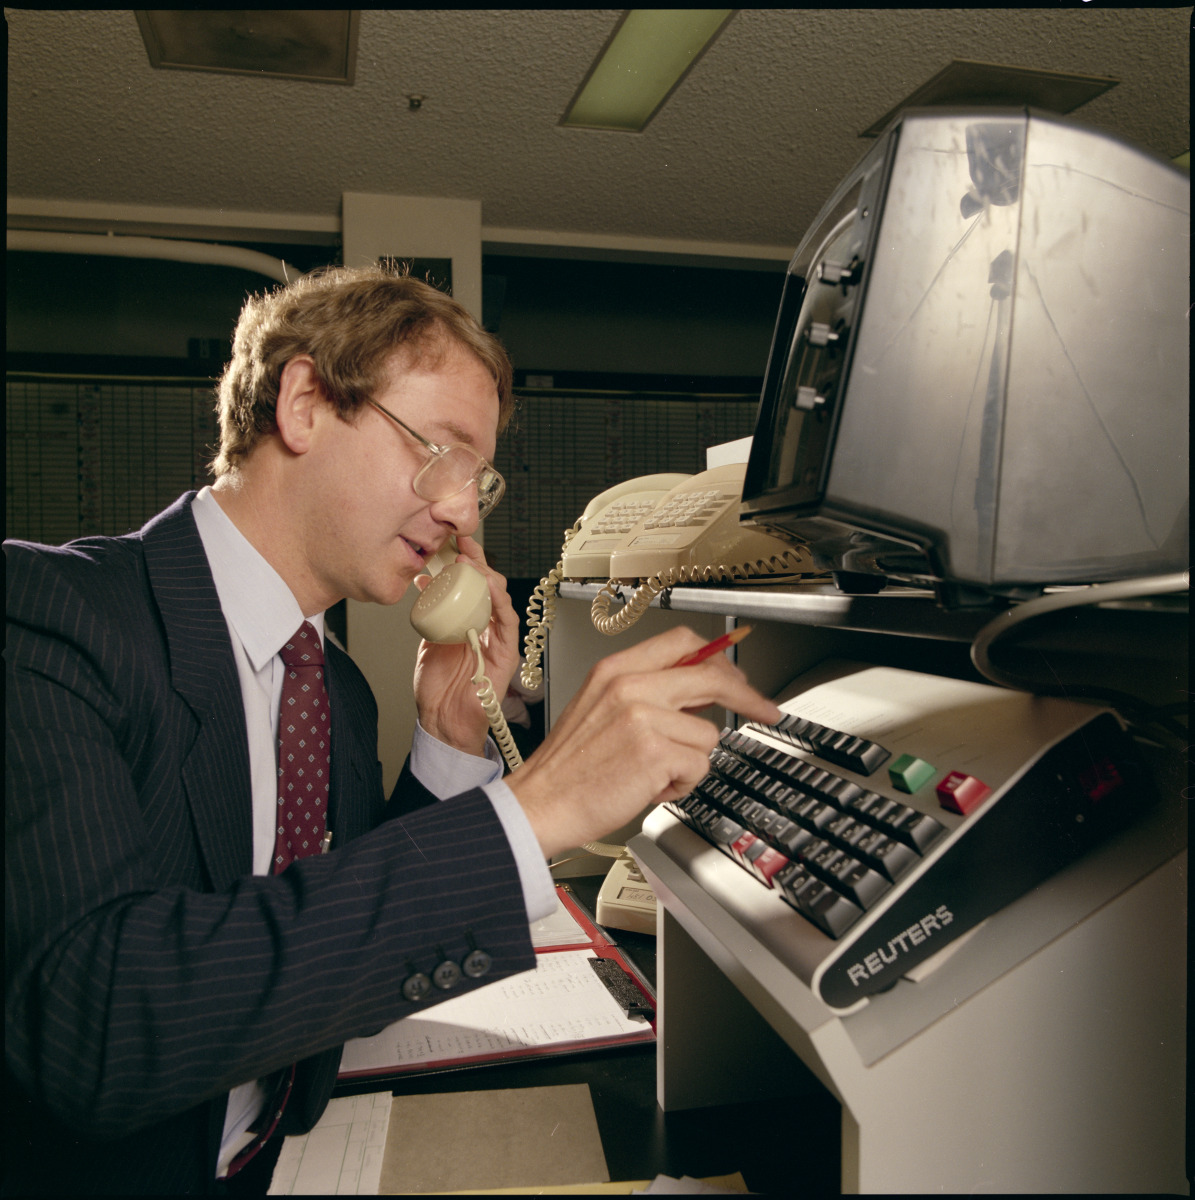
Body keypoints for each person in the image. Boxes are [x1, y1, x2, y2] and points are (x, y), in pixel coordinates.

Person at [4, 264, 782, 1195]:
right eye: (441, 452)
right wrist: (538, 808)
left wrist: (452, 738)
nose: (461, 511)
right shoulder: (46, 616)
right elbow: (94, 1030)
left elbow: (337, 937)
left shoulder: (332, 682)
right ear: (302, 403)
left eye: (477, 480)